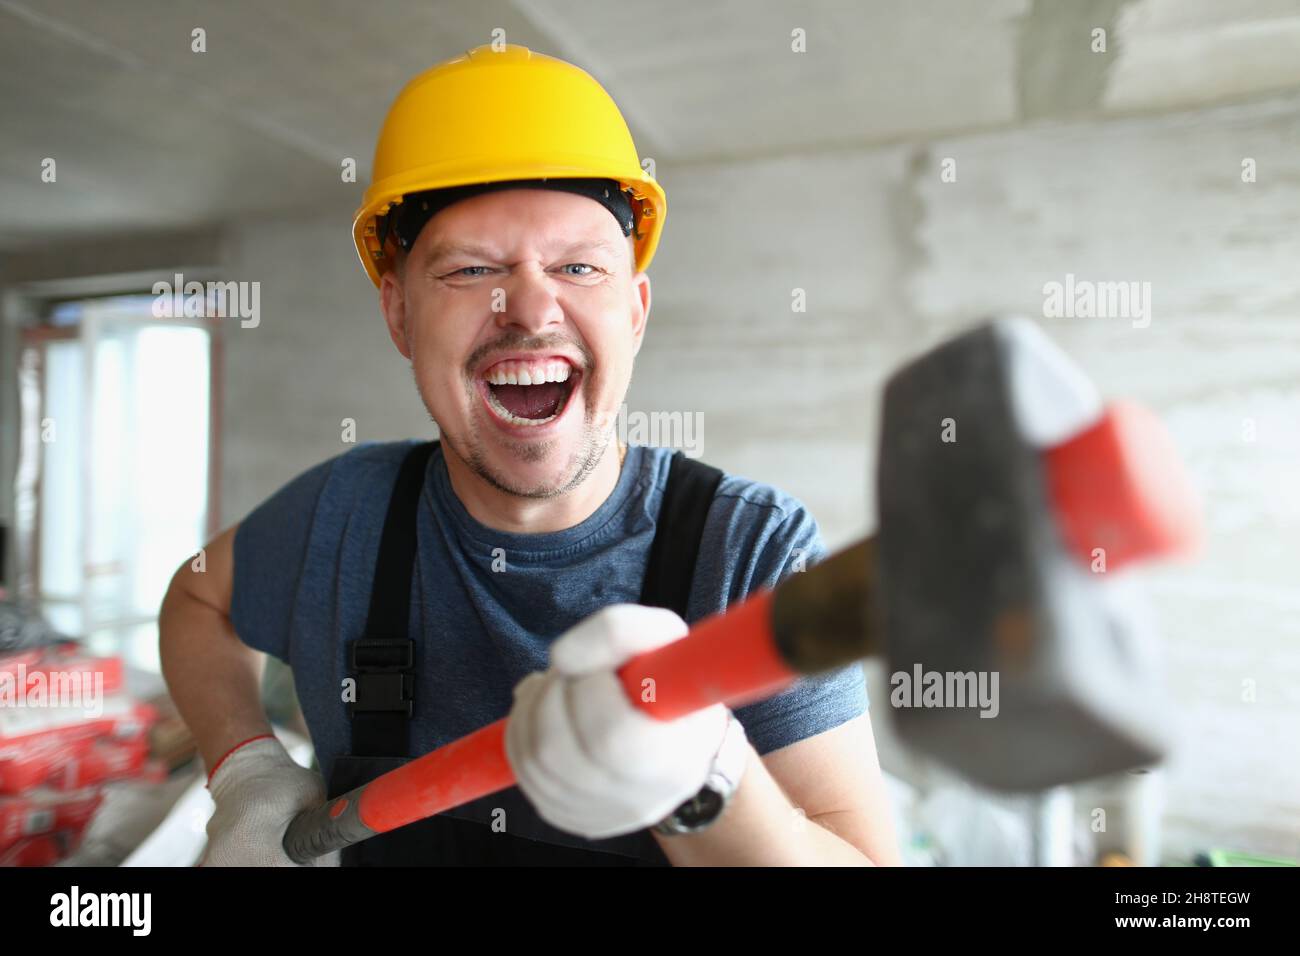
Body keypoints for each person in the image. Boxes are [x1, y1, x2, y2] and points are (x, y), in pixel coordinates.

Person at [160, 43, 900, 866]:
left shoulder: (749, 554)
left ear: (636, 310)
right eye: (473, 269)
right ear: (399, 314)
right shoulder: (344, 516)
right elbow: (195, 604)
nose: (531, 308)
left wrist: (706, 780)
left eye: (578, 266)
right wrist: (244, 769)